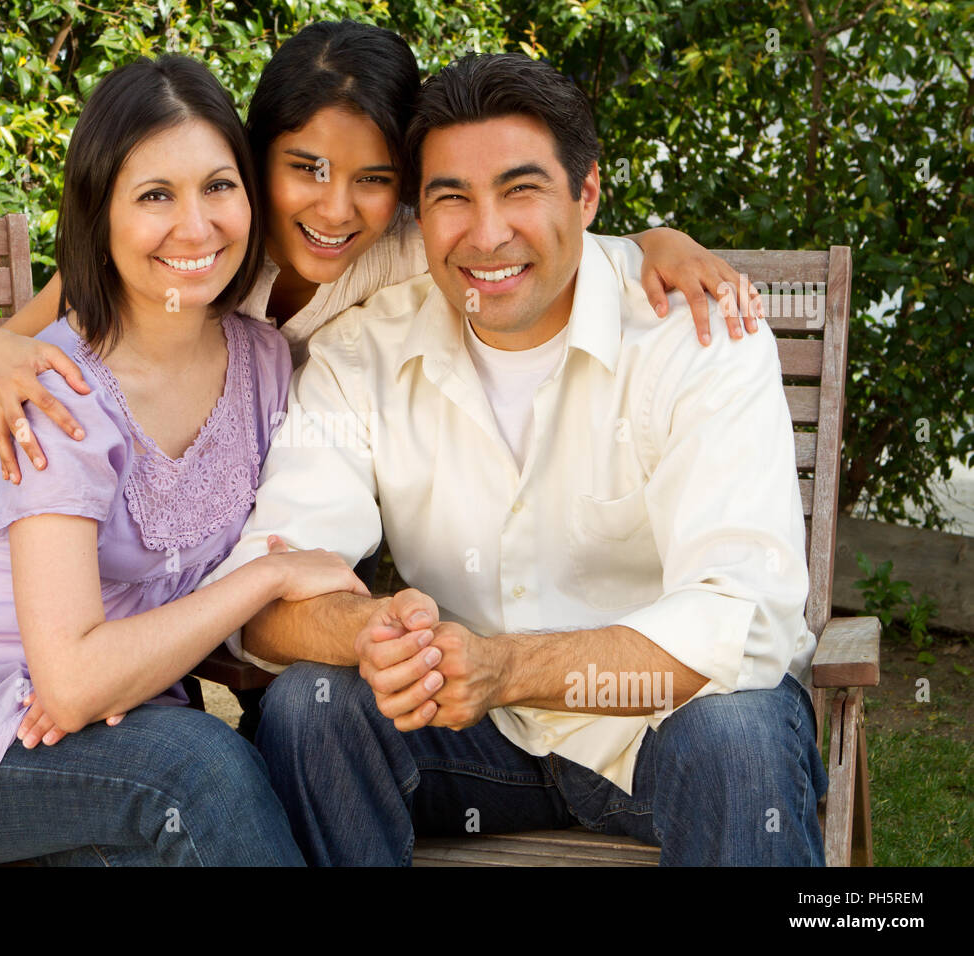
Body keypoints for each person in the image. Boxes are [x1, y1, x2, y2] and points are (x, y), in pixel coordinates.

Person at [205, 53, 827, 866]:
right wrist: (373, 633)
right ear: (416, 218)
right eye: (451, 198)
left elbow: (745, 619)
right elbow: (267, 585)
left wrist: (508, 667)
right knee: (312, 704)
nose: (486, 232)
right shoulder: (364, 350)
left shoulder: (697, 335)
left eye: (520, 190)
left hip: (660, 733)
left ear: (588, 194)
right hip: (467, 737)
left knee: (740, 727)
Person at [0, 54, 366, 867]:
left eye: (218, 187)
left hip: (124, 720)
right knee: (203, 773)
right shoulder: (54, 390)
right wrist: (263, 579)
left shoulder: (264, 361)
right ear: (101, 213)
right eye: (155, 195)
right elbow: (75, 682)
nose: (196, 227)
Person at [0, 20, 763, 490]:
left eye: (374, 179)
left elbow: (524, 242)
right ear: (253, 159)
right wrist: (5, 352)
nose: (335, 210)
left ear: (403, 189)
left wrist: (658, 242)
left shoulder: (402, 249)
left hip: (295, 503)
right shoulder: (194, 246)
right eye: (305, 170)